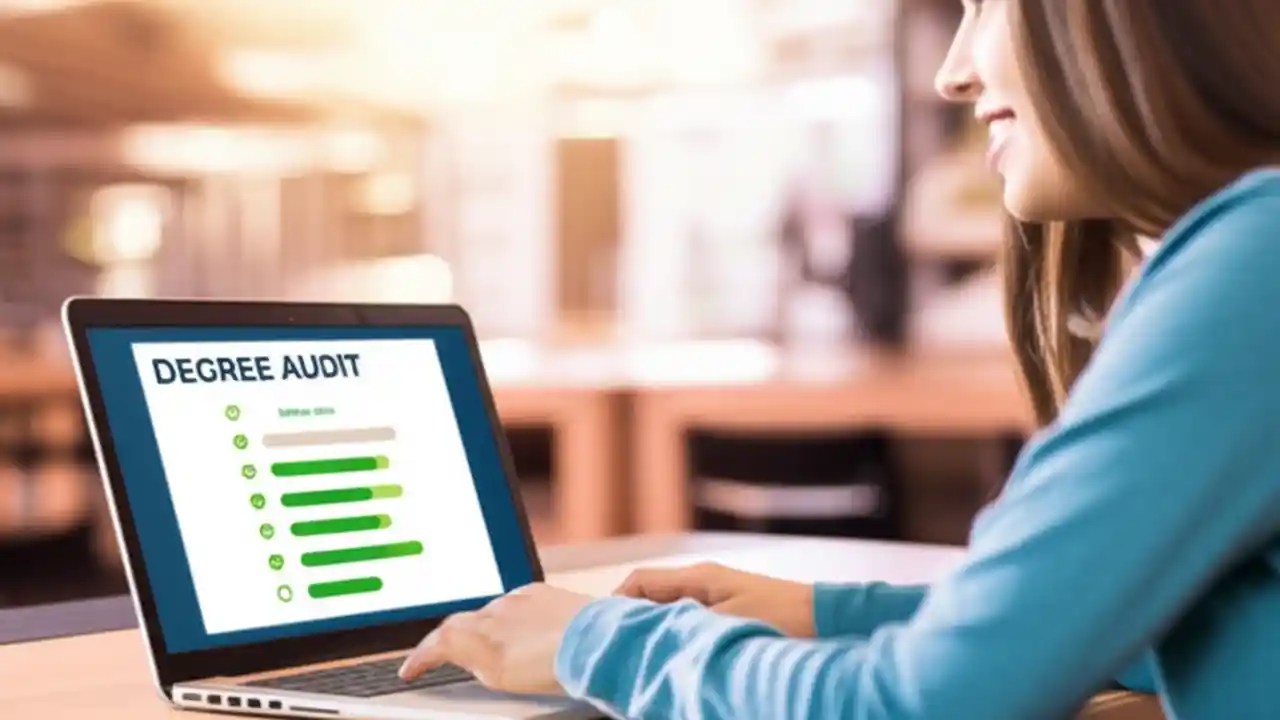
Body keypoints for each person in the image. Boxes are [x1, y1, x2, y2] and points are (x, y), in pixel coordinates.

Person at [399, 1, 1280, 717]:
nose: (952, 71)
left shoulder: (1256, 260)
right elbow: (1141, 639)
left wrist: (599, 644)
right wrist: (828, 614)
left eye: (986, 6)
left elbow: (928, 704)